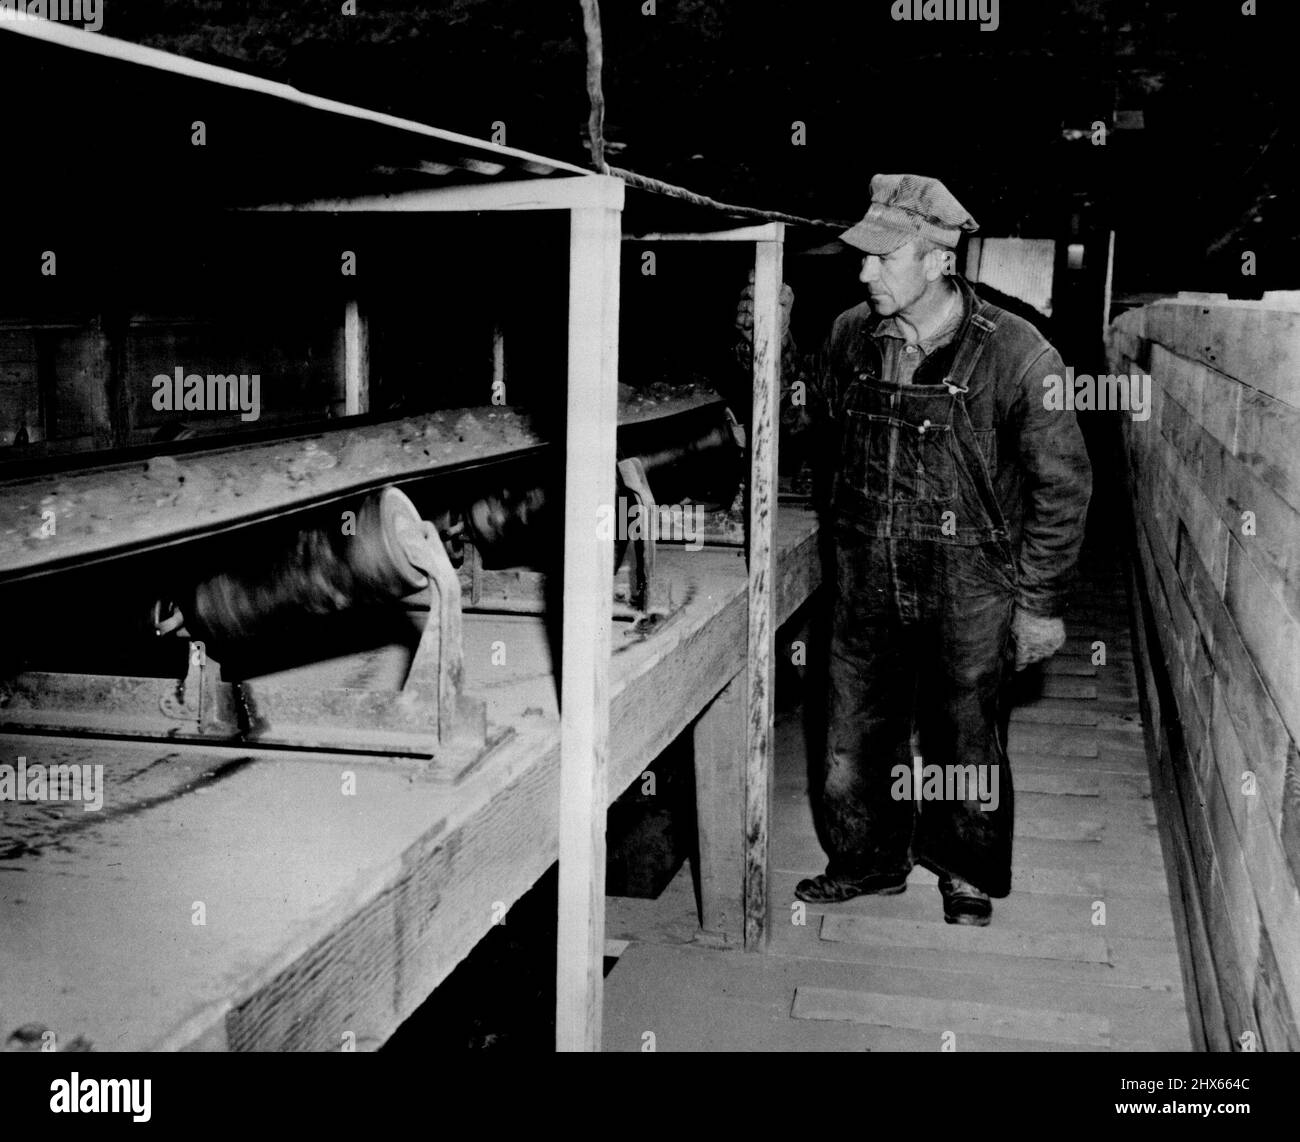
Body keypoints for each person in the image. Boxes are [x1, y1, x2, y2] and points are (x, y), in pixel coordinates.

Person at [737, 173, 1092, 925]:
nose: (863, 272)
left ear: (936, 261)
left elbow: (1063, 487)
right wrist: (768, 345)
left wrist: (1041, 604)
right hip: (867, 565)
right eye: (862, 258)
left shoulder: (1020, 354)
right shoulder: (848, 336)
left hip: (972, 577)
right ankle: (868, 860)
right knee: (855, 725)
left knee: (965, 727)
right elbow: (798, 429)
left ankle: (963, 866)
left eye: (881, 258)